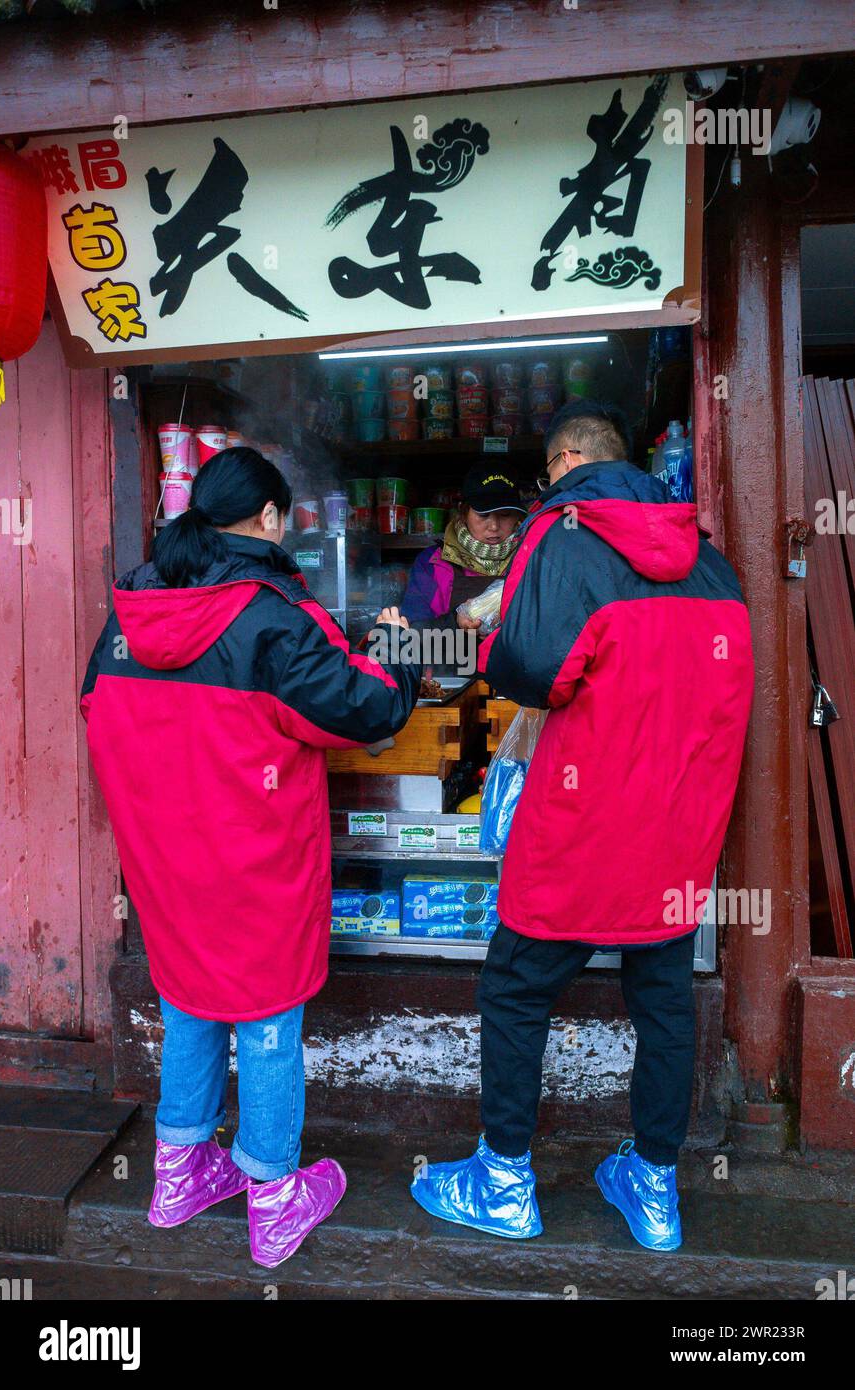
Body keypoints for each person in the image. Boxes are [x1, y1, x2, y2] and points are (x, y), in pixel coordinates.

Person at [410, 401, 754, 1252]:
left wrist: (488, 636)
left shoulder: (568, 542)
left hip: (582, 822)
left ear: (565, 464)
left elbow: (534, 676)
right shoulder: (712, 566)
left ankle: (502, 1181)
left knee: (516, 989)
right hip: (677, 828)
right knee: (665, 1003)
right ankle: (657, 1186)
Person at [80, 448, 419, 1269]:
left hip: (163, 858)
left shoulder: (133, 608)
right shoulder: (273, 616)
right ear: (269, 520)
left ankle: (177, 1175)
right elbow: (363, 708)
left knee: (189, 998)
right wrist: (397, 652)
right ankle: (272, 1195)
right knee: (267, 1017)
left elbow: (95, 706)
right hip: (254, 859)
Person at [400, 465, 526, 634]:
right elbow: (412, 632)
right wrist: (454, 622)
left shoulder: (531, 558)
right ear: (464, 511)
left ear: (518, 516)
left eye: (505, 514)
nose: (494, 526)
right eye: (483, 515)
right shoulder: (432, 562)